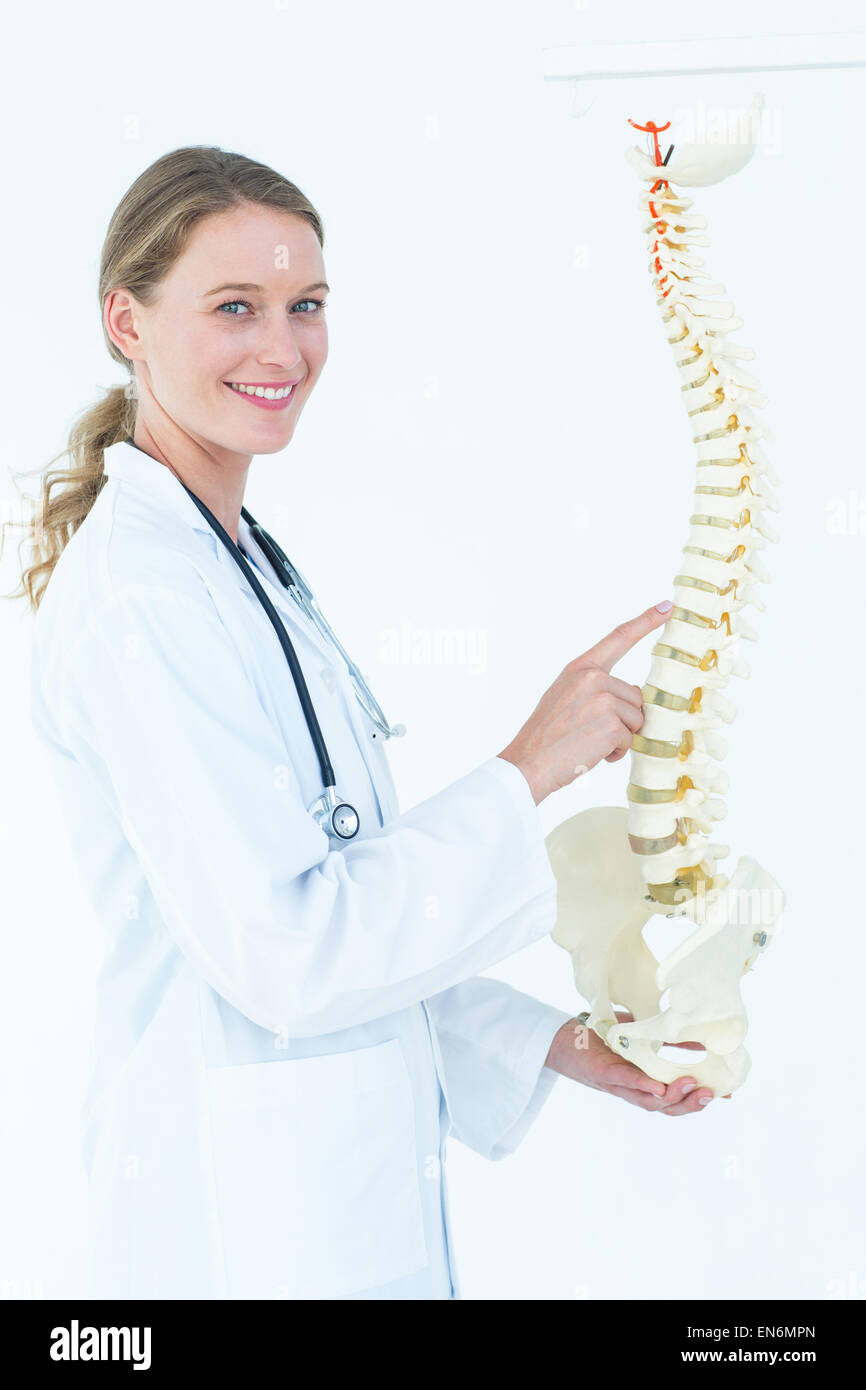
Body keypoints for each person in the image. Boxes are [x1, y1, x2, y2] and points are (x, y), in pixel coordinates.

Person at [6, 145, 715, 1302]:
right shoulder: (137, 597)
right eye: (234, 307)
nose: (282, 349)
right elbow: (293, 955)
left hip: (322, 1214)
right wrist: (525, 768)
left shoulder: (238, 566)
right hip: (234, 1236)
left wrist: (561, 1046)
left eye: (307, 307)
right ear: (125, 321)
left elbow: (343, 896)